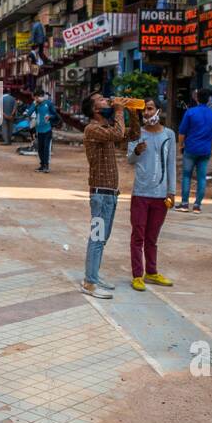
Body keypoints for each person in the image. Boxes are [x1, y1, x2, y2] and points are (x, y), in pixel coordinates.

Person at [80, 92, 128, 299]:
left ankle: (94, 276)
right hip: (100, 195)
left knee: (102, 238)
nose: (106, 100)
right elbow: (118, 134)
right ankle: (89, 283)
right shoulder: (92, 129)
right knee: (97, 238)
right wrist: (118, 110)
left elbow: (127, 134)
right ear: (95, 110)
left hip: (109, 194)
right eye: (101, 99)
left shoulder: (105, 128)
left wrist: (130, 112)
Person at [126, 98, 176, 292]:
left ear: (158, 111)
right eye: (144, 110)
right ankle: (137, 275)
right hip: (141, 193)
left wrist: (171, 191)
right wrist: (137, 151)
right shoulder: (136, 134)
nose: (146, 113)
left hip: (161, 195)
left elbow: (171, 163)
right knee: (138, 235)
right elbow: (130, 160)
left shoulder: (169, 135)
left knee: (152, 237)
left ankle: (152, 272)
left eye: (150, 109)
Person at [177, 89, 212, 213]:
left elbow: (182, 132)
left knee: (186, 176)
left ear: (197, 98)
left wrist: (181, 145)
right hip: (205, 150)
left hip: (190, 148)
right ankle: (197, 205)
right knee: (202, 177)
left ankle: (185, 204)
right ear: (208, 100)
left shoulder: (190, 112)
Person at [33, 91, 58, 173]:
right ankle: (42, 165)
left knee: (46, 148)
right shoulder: (36, 105)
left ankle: (46, 166)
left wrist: (50, 116)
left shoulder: (49, 103)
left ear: (41, 96)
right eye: (35, 98)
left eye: (36, 97)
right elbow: (31, 114)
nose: (36, 99)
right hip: (39, 130)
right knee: (40, 148)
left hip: (47, 130)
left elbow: (55, 115)